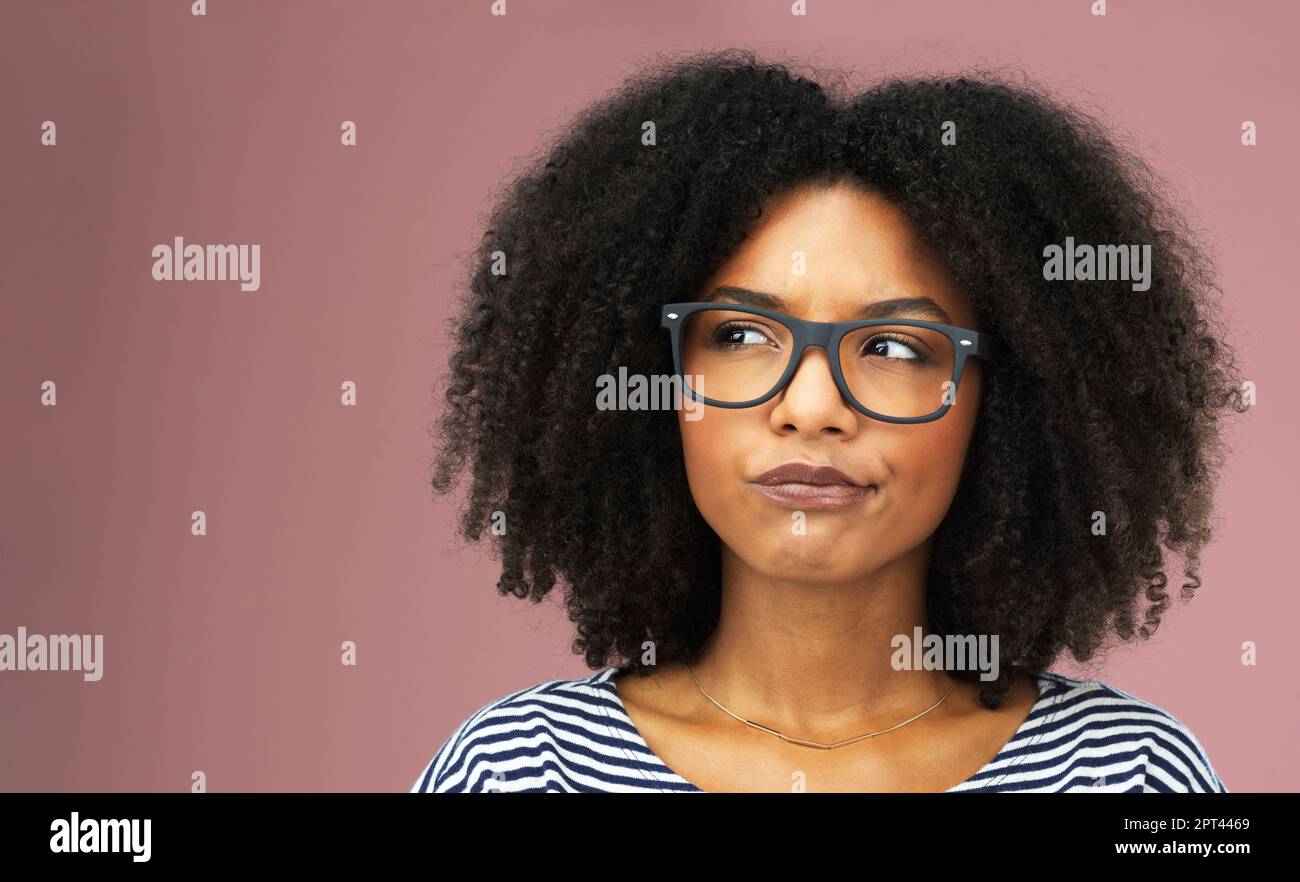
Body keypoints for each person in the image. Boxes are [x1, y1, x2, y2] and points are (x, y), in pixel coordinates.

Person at [412, 50, 1242, 793]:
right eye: (740, 335)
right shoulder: (515, 770)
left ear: (1013, 402)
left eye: (893, 345)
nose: (811, 408)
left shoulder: (1132, 776)